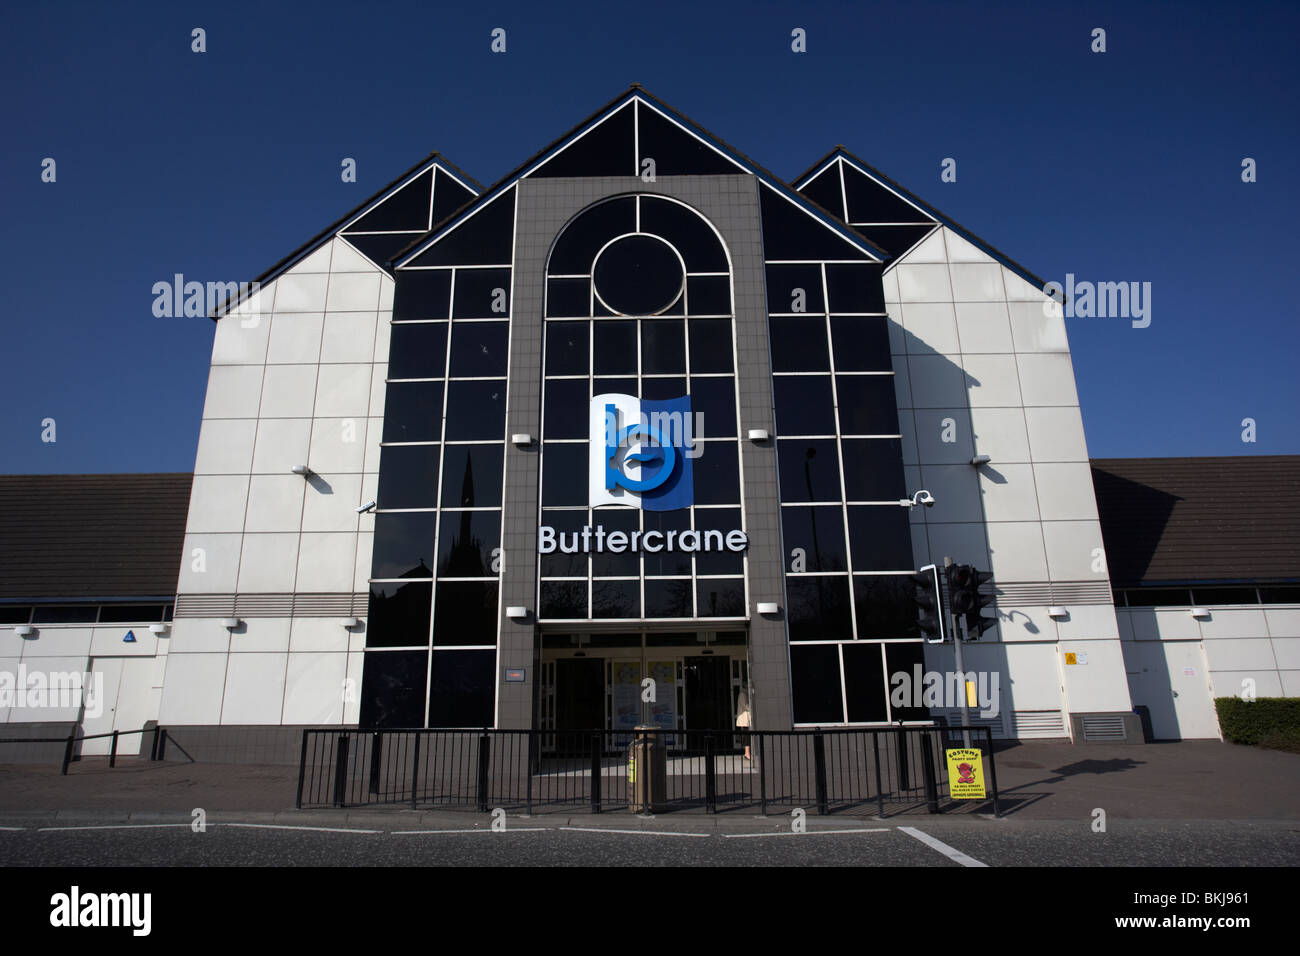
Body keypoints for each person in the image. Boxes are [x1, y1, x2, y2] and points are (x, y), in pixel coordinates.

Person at [735, 687, 752, 760]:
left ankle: (747, 753)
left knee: (747, 735)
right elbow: (745, 705)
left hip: (746, 718)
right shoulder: (743, 694)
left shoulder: (744, 693)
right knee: (746, 735)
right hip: (744, 718)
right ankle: (747, 753)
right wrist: (752, 708)